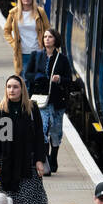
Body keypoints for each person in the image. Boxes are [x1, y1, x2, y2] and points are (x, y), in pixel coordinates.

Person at [0, 74, 47, 204]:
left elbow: (39, 137)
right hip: (7, 166)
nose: (11, 90)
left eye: (15, 87)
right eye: (9, 87)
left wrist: (40, 160)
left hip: (28, 166)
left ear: (22, 90)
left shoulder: (32, 109)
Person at [23, 27, 71, 174]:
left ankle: (54, 157)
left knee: (56, 132)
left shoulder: (62, 59)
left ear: (55, 40)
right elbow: (27, 74)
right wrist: (39, 77)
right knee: (42, 130)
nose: (47, 39)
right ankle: (44, 163)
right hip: (40, 100)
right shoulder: (36, 55)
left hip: (57, 101)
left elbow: (70, 80)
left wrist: (60, 79)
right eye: (45, 37)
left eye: (50, 37)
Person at [2, 0, 49, 75]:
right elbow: (6, 31)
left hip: (38, 52)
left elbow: (48, 30)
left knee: (37, 81)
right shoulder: (13, 13)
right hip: (22, 53)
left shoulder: (40, 12)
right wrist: (13, 43)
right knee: (25, 80)